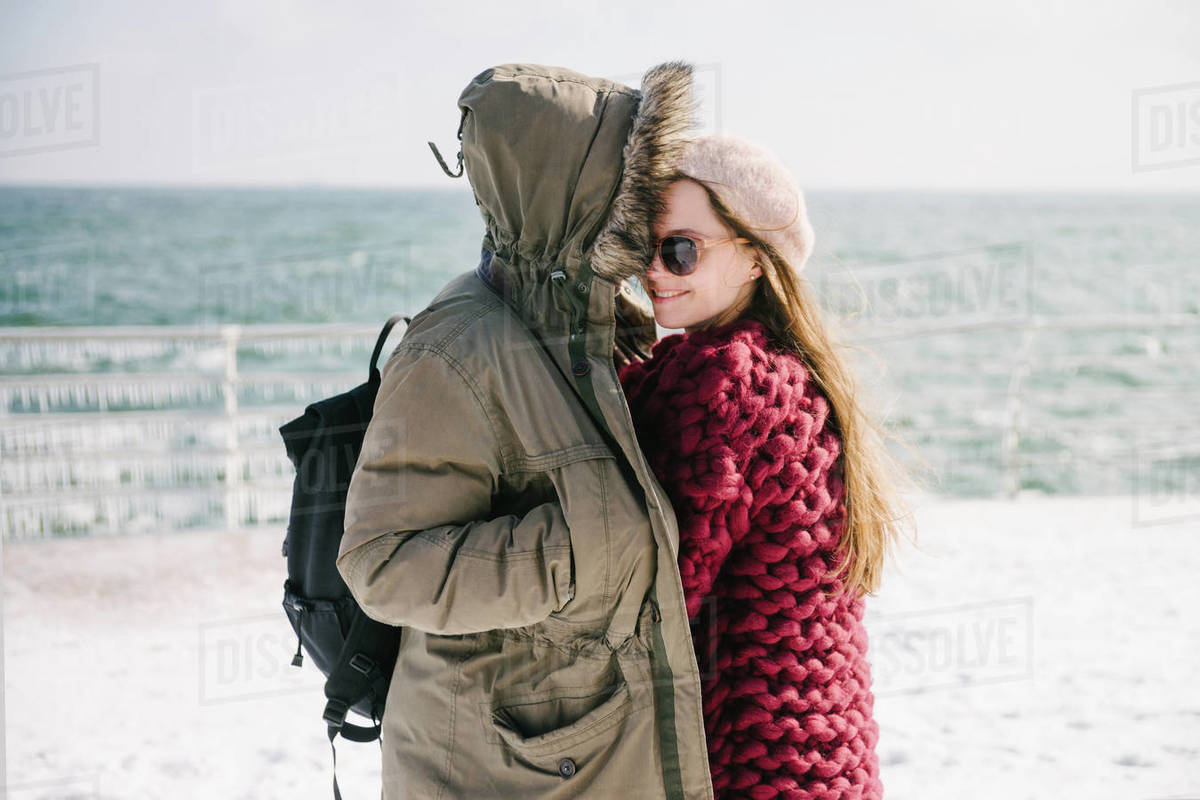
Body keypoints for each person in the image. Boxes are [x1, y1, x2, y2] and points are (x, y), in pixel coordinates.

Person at [336, 61, 720, 799]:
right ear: (571, 193)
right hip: (497, 765)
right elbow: (381, 560)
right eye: (628, 189)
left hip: (568, 750)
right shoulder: (458, 348)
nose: (644, 220)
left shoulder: (581, 326)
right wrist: (581, 559)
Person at [618, 135, 917, 799]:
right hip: (827, 752)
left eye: (681, 249)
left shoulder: (725, 379)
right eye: (644, 247)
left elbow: (658, 588)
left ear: (755, 258)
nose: (654, 270)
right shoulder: (796, 370)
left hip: (752, 761)